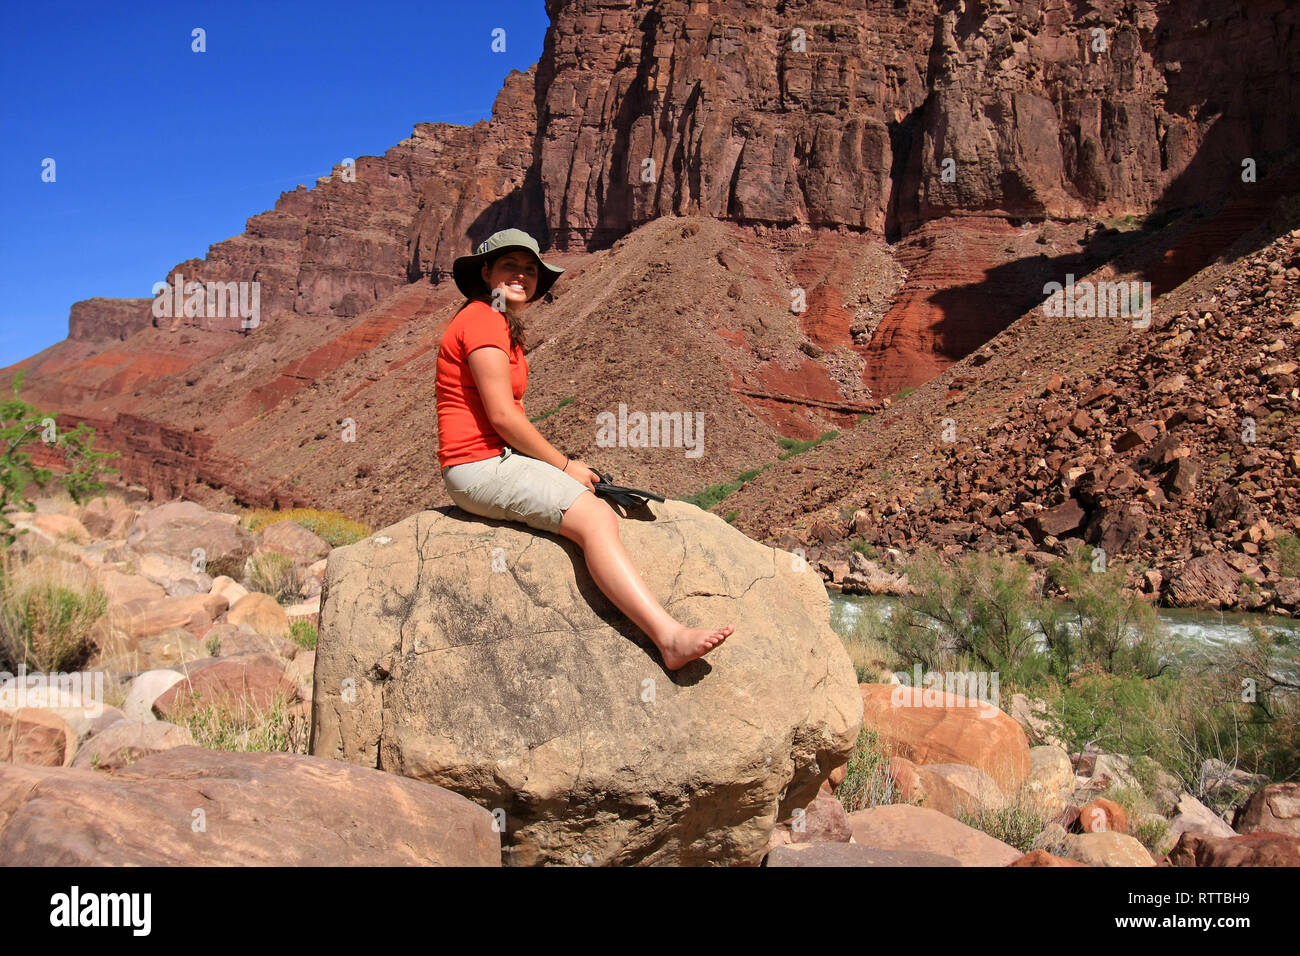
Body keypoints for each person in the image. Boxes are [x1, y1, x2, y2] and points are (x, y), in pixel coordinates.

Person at [435, 228, 733, 671]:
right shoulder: (482, 319)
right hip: (478, 466)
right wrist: (564, 465)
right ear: (485, 272)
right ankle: (669, 638)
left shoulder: (496, 321)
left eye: (530, 269)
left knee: (589, 495)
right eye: (509, 266)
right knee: (594, 519)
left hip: (493, 460)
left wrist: (563, 469)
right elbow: (502, 417)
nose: (522, 275)